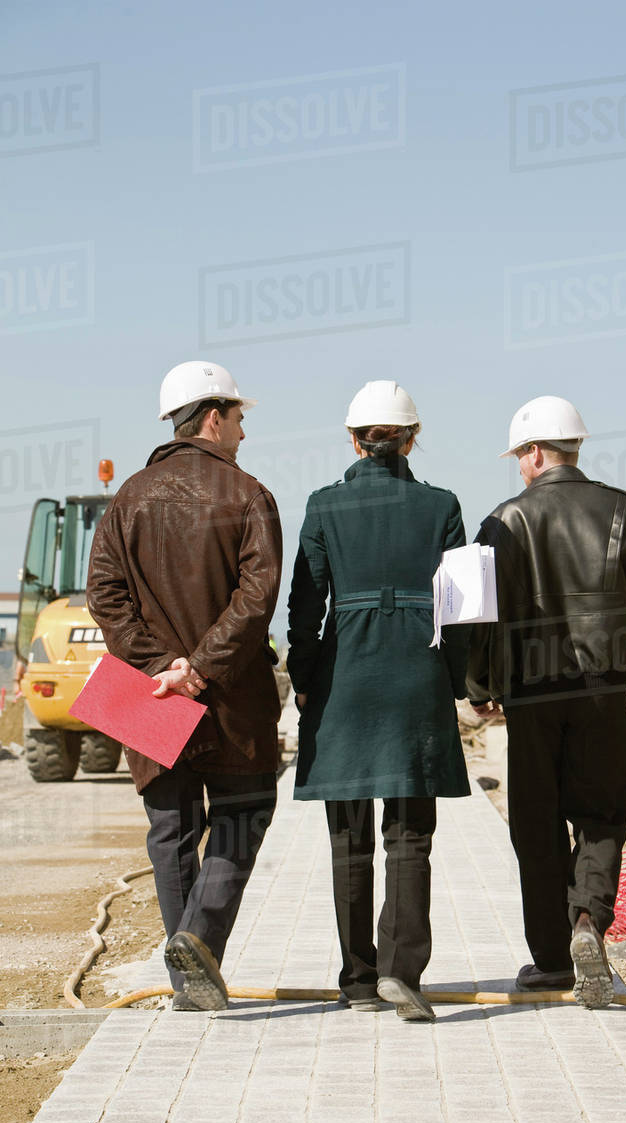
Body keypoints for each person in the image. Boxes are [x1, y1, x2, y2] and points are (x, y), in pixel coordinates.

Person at [468, 396, 626, 1008]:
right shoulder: (623, 510)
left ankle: (553, 962)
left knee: (536, 823)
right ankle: (588, 921)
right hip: (604, 691)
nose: (520, 466)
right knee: (602, 814)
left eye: (520, 455)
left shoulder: (503, 522)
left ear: (535, 452)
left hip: (531, 698)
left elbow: (478, 619)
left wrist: (482, 687)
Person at [87, 360, 282, 1011]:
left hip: (147, 695)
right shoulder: (248, 495)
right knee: (245, 813)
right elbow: (257, 599)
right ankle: (198, 942)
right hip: (232, 696)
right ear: (214, 417)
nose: (243, 433)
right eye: (239, 418)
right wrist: (197, 668)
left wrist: (158, 667)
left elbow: (104, 595)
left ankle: (187, 982)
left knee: (170, 831)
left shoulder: (128, 497)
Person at [287, 380, 469, 1022]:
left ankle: (359, 980)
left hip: (345, 680)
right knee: (410, 836)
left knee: (349, 840)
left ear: (353, 439)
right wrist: (458, 684)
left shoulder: (324, 505)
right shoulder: (442, 505)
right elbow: (460, 607)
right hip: (417, 678)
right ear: (412, 438)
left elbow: (305, 603)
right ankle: (403, 973)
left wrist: (304, 676)